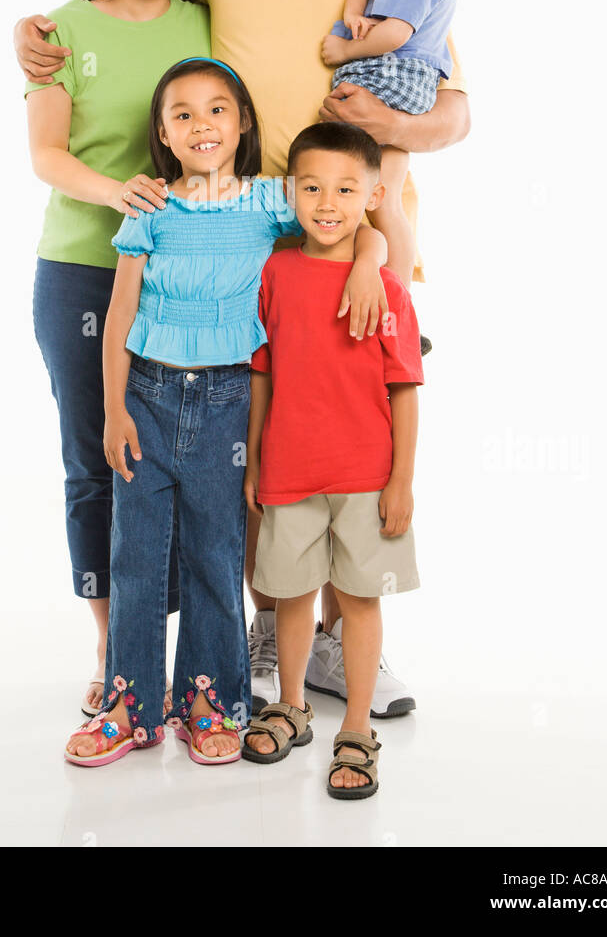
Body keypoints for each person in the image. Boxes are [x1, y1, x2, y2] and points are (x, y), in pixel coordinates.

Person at [14, 0, 470, 719]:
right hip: (232, 244)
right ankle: (224, 639)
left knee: (344, 438)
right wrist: (34, 34)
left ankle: (342, 642)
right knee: (250, 447)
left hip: (351, 241)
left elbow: (456, 108)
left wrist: (379, 140)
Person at [63, 60, 389, 767]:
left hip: (228, 401)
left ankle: (209, 701)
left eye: (217, 110)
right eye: (182, 113)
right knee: (135, 555)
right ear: (162, 132)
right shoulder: (147, 208)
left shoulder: (272, 199)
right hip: (146, 396)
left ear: (242, 122)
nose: (200, 124)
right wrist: (115, 410)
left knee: (216, 554)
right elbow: (121, 312)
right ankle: (129, 705)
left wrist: (371, 258)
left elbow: (346, 217)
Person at [26, 0, 210, 717]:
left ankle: (189, 649)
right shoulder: (60, 30)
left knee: (187, 465)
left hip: (190, 276)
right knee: (97, 458)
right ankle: (111, 646)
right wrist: (120, 192)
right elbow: (47, 157)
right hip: (82, 272)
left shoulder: (208, 21)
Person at [242, 122, 423, 799]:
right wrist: (255, 460)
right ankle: (290, 706)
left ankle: (355, 727)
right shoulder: (275, 272)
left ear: (372, 194)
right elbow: (260, 372)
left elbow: (403, 388)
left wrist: (401, 479)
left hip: (364, 475)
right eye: (312, 187)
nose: (326, 202)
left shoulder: (386, 289)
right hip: (289, 468)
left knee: (356, 600)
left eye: (346, 189)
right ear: (290, 192)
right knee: (290, 597)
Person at [321, 0, 461, 287]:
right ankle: (387, 299)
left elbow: (396, 33)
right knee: (383, 198)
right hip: (397, 72)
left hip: (396, 73)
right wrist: (352, 15)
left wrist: (344, 48)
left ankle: (395, 306)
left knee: (377, 201)